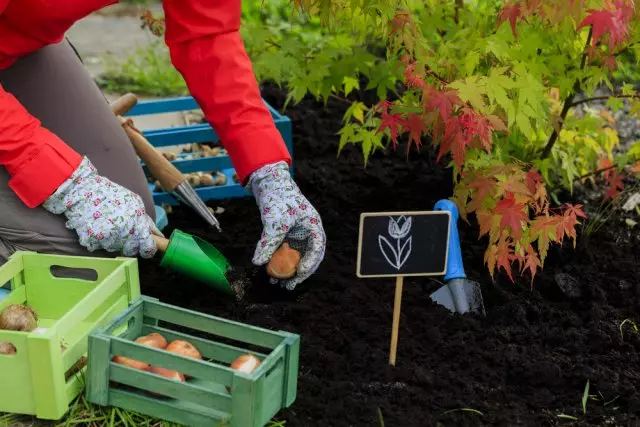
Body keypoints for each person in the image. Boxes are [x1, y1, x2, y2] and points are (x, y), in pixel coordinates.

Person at [0, 0, 325, 290]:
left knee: (125, 228)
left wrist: (266, 169)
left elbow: (208, 34)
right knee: (69, 262)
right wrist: (66, 184)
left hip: (18, 39)